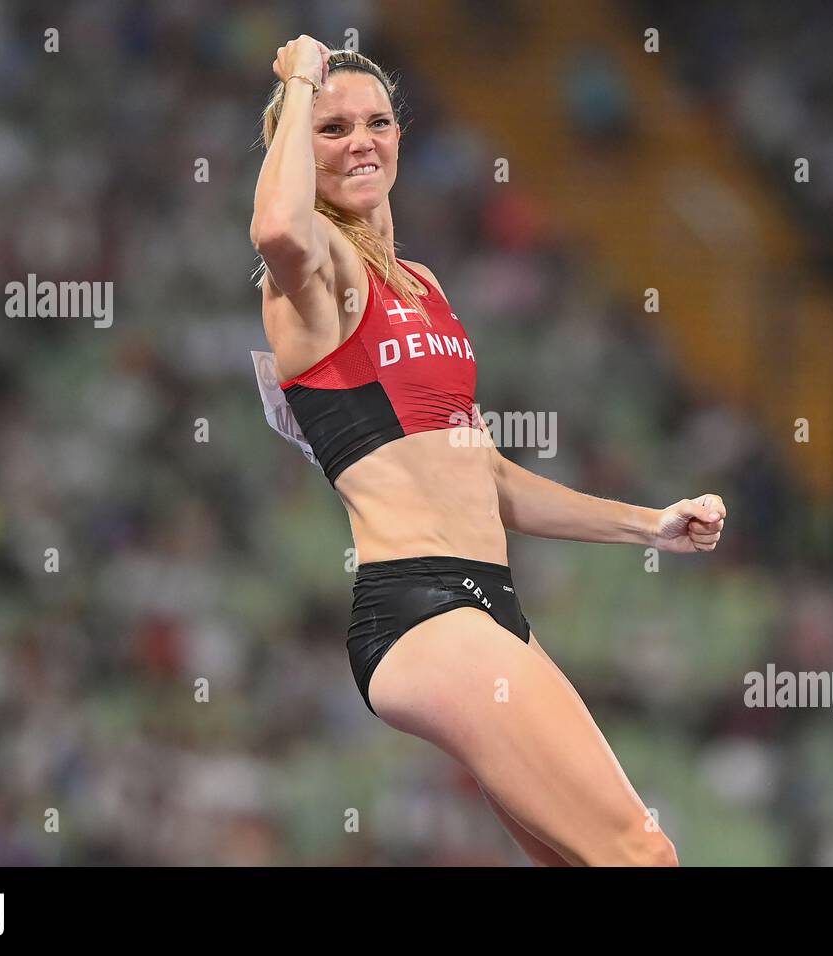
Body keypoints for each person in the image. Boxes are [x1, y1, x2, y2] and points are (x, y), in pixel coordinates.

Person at [249, 37, 726, 866]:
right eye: (333, 129)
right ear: (297, 144)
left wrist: (651, 526)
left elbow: (492, 477)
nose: (361, 139)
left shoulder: (423, 284)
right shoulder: (315, 276)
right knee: (642, 856)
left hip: (490, 605)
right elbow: (277, 228)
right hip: (420, 609)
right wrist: (296, 82)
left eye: (378, 121)